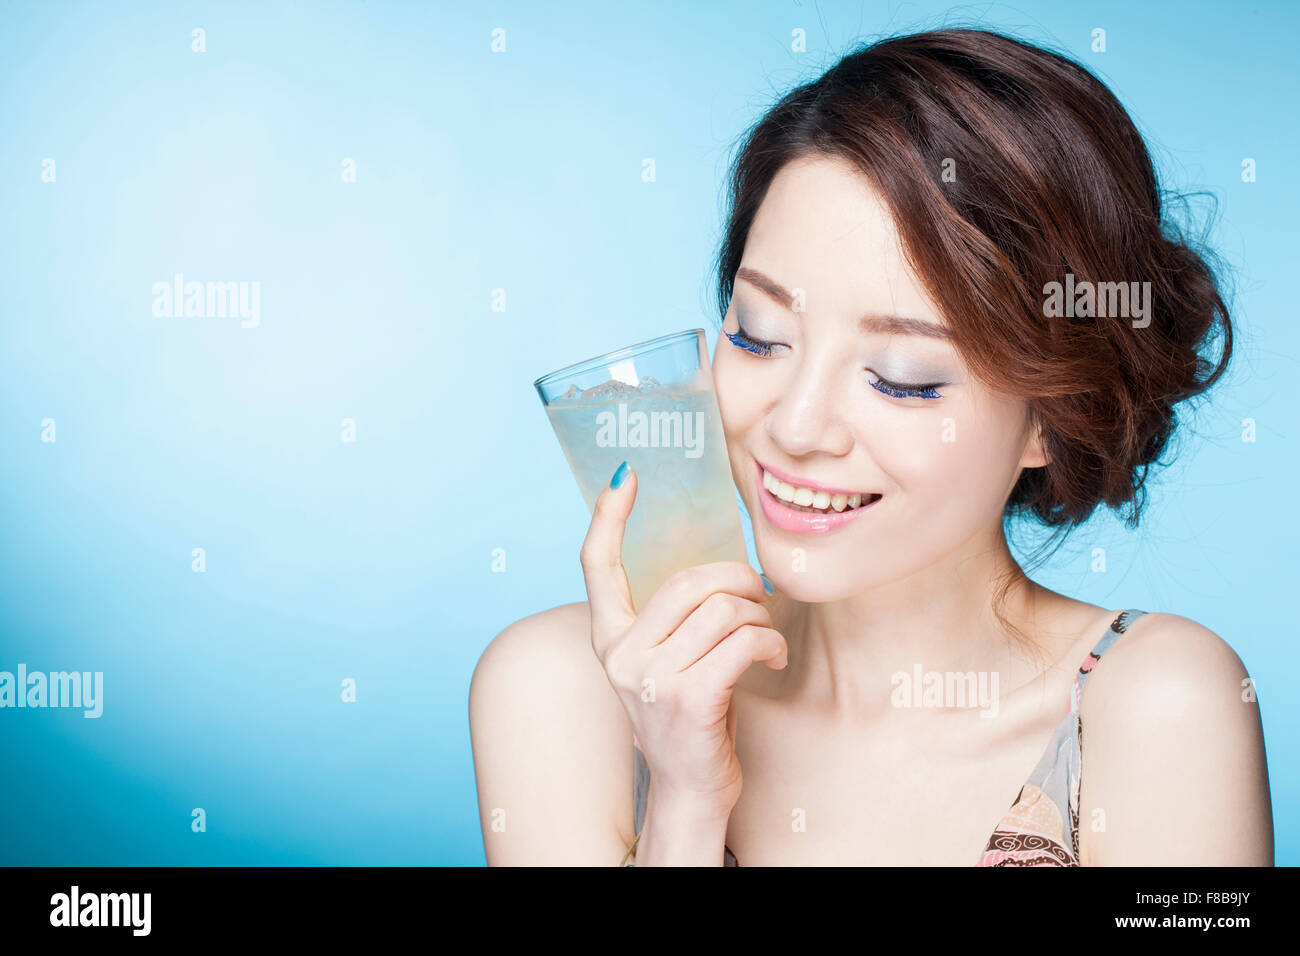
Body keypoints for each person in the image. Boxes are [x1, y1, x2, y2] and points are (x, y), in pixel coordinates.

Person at [469, 28, 1273, 866]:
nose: (795, 426)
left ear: (1051, 414)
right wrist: (684, 806)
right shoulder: (564, 690)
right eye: (759, 335)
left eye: (901, 377)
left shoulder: (1157, 705)